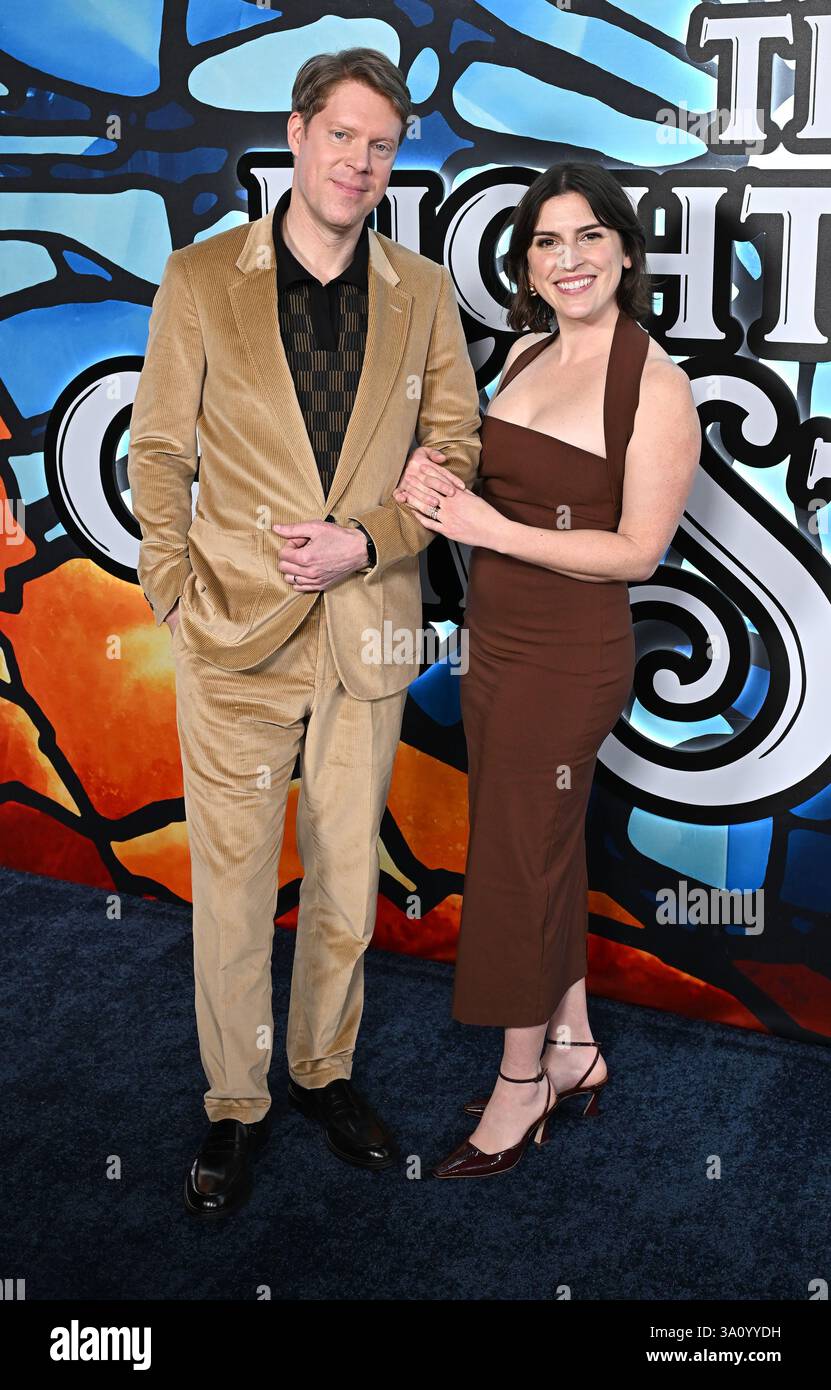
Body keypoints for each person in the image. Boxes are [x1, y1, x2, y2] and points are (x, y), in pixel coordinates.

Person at [127, 48, 481, 1216]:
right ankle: (236, 1102)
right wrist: (170, 582)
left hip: (369, 630)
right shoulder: (197, 278)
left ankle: (323, 1069)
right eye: (343, 135)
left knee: (342, 877)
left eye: (381, 145)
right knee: (231, 886)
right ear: (297, 134)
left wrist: (368, 541)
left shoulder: (423, 293)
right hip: (231, 630)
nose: (361, 162)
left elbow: (457, 454)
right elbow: (162, 449)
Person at [393, 162, 701, 1179]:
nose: (568, 260)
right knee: (545, 847)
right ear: (527, 262)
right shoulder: (522, 350)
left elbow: (637, 552)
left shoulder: (655, 385)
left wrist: (487, 527)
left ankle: (519, 1086)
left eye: (586, 238)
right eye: (546, 242)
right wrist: (440, 480)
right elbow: (484, 479)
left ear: (622, 248)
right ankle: (574, 1048)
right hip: (498, 645)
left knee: (516, 859)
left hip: (572, 658)